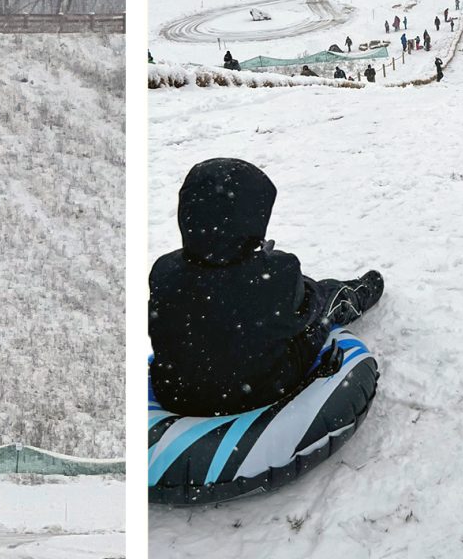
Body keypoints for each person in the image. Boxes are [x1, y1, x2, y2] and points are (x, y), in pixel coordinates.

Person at [149, 159, 385, 417]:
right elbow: (306, 306)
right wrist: (270, 267)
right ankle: (360, 292)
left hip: (176, 394)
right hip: (257, 391)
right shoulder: (277, 274)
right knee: (323, 301)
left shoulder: (163, 270)